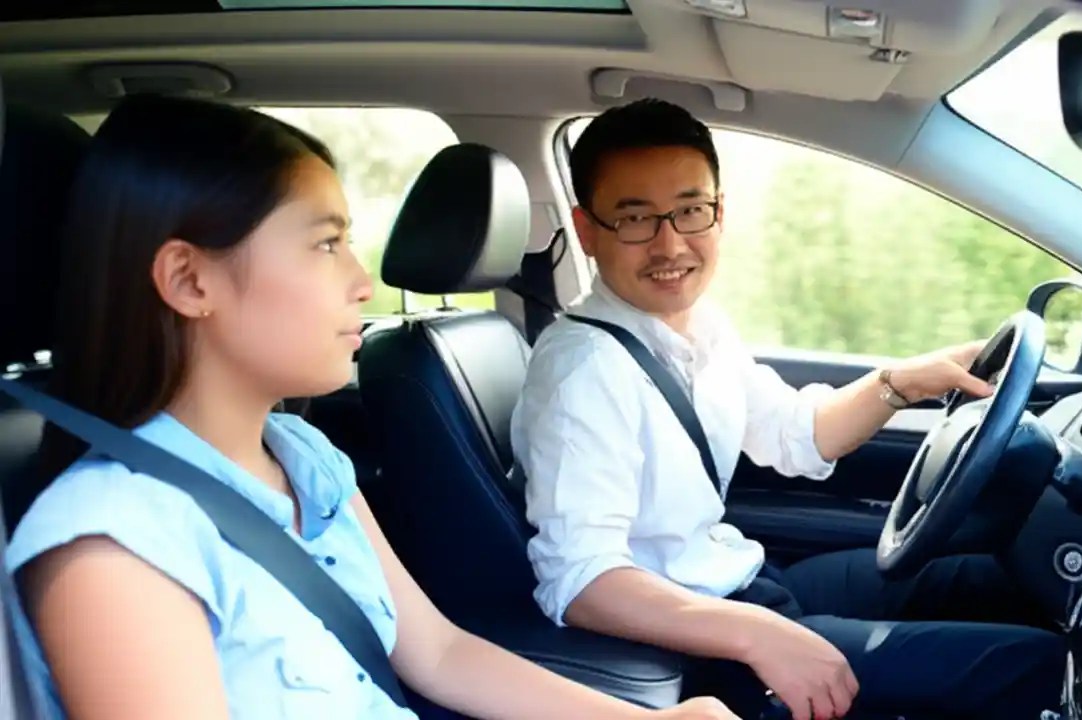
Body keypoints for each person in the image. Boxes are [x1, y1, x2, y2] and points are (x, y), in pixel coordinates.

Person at [3, 95, 737, 720]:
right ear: (190, 282)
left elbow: (441, 654)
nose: (362, 281)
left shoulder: (300, 454)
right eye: (326, 245)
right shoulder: (111, 552)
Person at [511, 98, 1065, 720]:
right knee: (1036, 665)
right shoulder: (584, 371)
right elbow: (581, 582)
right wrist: (757, 636)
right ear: (588, 231)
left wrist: (904, 382)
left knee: (998, 581)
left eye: (691, 211)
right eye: (635, 218)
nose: (671, 244)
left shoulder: (697, 327)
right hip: (695, 643)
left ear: (720, 214)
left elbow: (795, 434)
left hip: (740, 579)